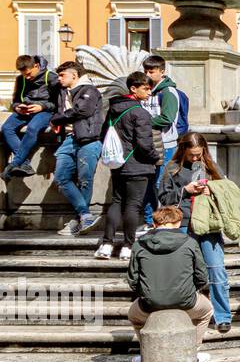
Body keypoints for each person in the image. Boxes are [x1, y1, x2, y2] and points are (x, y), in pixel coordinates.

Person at [158, 132, 232, 333]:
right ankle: (187, 313)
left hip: (209, 226)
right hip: (183, 223)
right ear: (183, 150)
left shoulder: (212, 168)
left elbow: (228, 193)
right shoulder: (172, 169)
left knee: (216, 268)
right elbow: (163, 198)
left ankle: (222, 316)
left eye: (198, 154)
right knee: (184, 271)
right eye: (191, 155)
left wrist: (212, 191)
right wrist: (185, 191)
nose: (195, 158)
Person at [126, 204, 212, 362]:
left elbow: (133, 280)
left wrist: (145, 293)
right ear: (178, 223)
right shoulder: (190, 242)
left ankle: (147, 353)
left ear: (155, 224)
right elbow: (202, 276)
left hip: (150, 304)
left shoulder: (139, 245)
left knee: (134, 317)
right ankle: (192, 353)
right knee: (207, 311)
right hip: (186, 302)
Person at [96, 72, 159, 260]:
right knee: (133, 205)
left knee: (116, 202)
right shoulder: (141, 113)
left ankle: (107, 244)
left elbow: (103, 135)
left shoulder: (113, 109)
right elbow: (144, 144)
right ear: (133, 88)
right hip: (138, 165)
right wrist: (155, 157)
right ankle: (127, 246)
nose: (149, 93)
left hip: (117, 163)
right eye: (146, 89)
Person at [50, 61, 104, 236]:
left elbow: (83, 111)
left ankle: (79, 220)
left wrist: (57, 119)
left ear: (74, 75)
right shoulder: (63, 92)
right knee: (61, 178)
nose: (59, 79)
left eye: (62, 75)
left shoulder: (89, 90)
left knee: (85, 180)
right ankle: (85, 215)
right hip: (68, 140)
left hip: (88, 140)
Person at [140, 55, 185, 229]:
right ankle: (150, 220)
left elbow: (167, 118)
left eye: (151, 71)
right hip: (148, 143)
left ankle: (162, 221)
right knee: (148, 182)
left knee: (160, 183)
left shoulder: (168, 92)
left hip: (166, 144)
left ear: (162, 71)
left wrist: (142, 122)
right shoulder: (148, 90)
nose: (148, 74)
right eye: (146, 71)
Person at [2, 54, 58, 180]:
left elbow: (58, 103)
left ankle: (15, 163)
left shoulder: (51, 77)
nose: (26, 78)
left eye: (28, 74)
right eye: (23, 75)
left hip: (45, 111)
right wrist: (17, 107)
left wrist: (42, 107)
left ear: (36, 66)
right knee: (6, 128)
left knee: (32, 128)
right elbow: (15, 100)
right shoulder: (20, 79)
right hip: (25, 111)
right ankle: (25, 163)